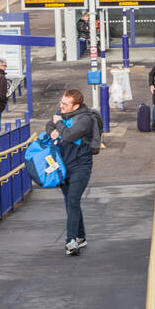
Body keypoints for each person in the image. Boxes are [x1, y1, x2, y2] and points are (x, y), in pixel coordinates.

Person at [45, 88, 103, 256]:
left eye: (65, 104)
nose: (61, 106)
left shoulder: (84, 119)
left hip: (81, 166)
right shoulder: (60, 114)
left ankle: (70, 241)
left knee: (72, 200)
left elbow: (70, 135)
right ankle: (81, 237)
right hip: (62, 166)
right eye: (61, 102)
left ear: (76, 106)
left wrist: (58, 125)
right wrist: (52, 130)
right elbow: (49, 125)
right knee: (71, 203)